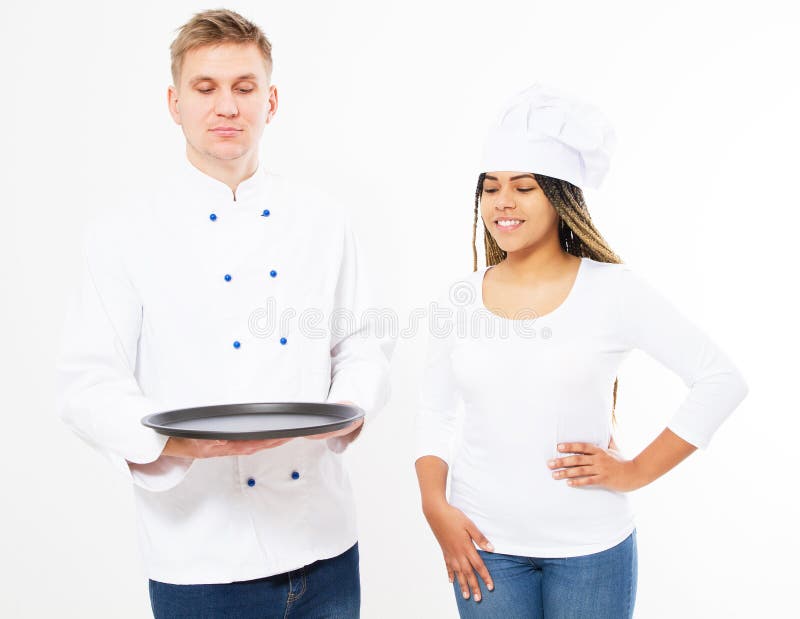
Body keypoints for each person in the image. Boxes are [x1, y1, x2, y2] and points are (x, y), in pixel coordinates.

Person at [56, 9, 392, 618]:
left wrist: (349, 413)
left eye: (244, 88)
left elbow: (361, 344)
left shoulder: (322, 218)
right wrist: (173, 442)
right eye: (205, 89)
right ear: (173, 102)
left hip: (325, 543)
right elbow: (87, 382)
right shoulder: (123, 233)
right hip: (199, 556)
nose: (227, 107)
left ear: (272, 100)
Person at [414, 84, 748, 618]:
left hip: (590, 549)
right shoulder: (458, 298)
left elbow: (720, 380)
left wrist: (634, 471)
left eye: (523, 187)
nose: (503, 201)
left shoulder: (613, 291)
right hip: (483, 544)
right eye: (491, 187)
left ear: (559, 196)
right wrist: (435, 507)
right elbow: (434, 411)